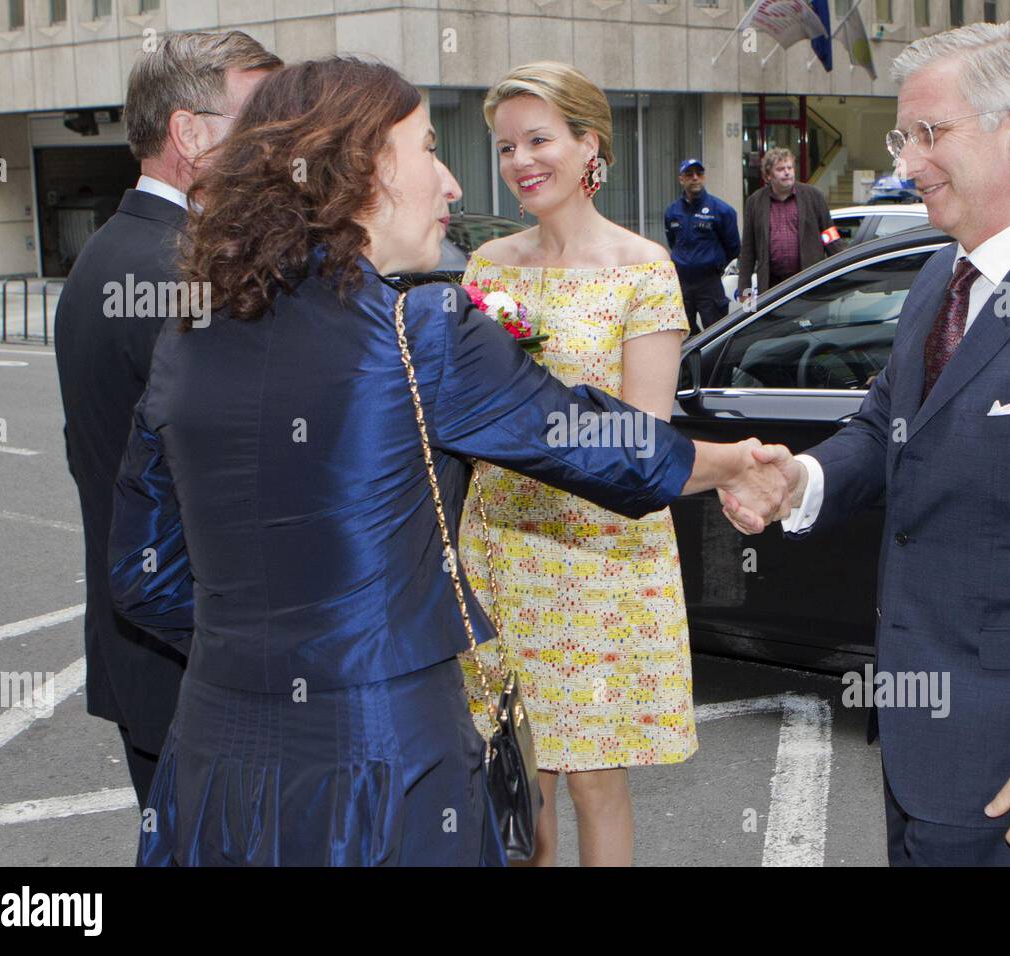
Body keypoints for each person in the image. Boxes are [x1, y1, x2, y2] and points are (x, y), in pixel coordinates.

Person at [106, 57, 790, 867]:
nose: (455, 183)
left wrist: (268, 646)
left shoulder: (188, 335)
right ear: (361, 169)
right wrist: (734, 461)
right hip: (389, 770)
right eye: (429, 150)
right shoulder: (420, 328)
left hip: (213, 763)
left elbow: (143, 578)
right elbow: (601, 446)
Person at [729, 21, 1010, 867]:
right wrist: (801, 480)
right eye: (905, 136)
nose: (906, 162)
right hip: (918, 736)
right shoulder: (940, 279)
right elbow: (884, 427)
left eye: (929, 134)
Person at [460, 62, 702, 868]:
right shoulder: (487, 267)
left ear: (587, 145)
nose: (521, 161)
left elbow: (643, 442)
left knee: (594, 778)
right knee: (515, 778)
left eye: (539, 140)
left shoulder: (642, 268)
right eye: (505, 147)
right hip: (496, 549)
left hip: (599, 558)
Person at [53, 31, 281, 810]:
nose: (280, 140)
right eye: (260, 117)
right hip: (195, 660)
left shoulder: (119, 253)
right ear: (190, 133)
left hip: (155, 658)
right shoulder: (179, 271)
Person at [737, 148, 842, 297]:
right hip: (771, 287)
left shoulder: (813, 196)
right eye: (780, 169)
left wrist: (841, 274)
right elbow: (748, 249)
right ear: (768, 176)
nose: (787, 172)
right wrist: (744, 290)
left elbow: (829, 236)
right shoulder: (755, 202)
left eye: (790, 168)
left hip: (809, 284)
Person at [664, 158, 739, 331]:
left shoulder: (721, 210)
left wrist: (714, 263)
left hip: (709, 282)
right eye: (689, 174)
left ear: (704, 177)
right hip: (682, 282)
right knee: (682, 332)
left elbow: (733, 247)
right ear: (681, 179)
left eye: (699, 174)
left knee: (717, 332)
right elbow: (672, 241)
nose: (695, 178)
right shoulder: (672, 211)